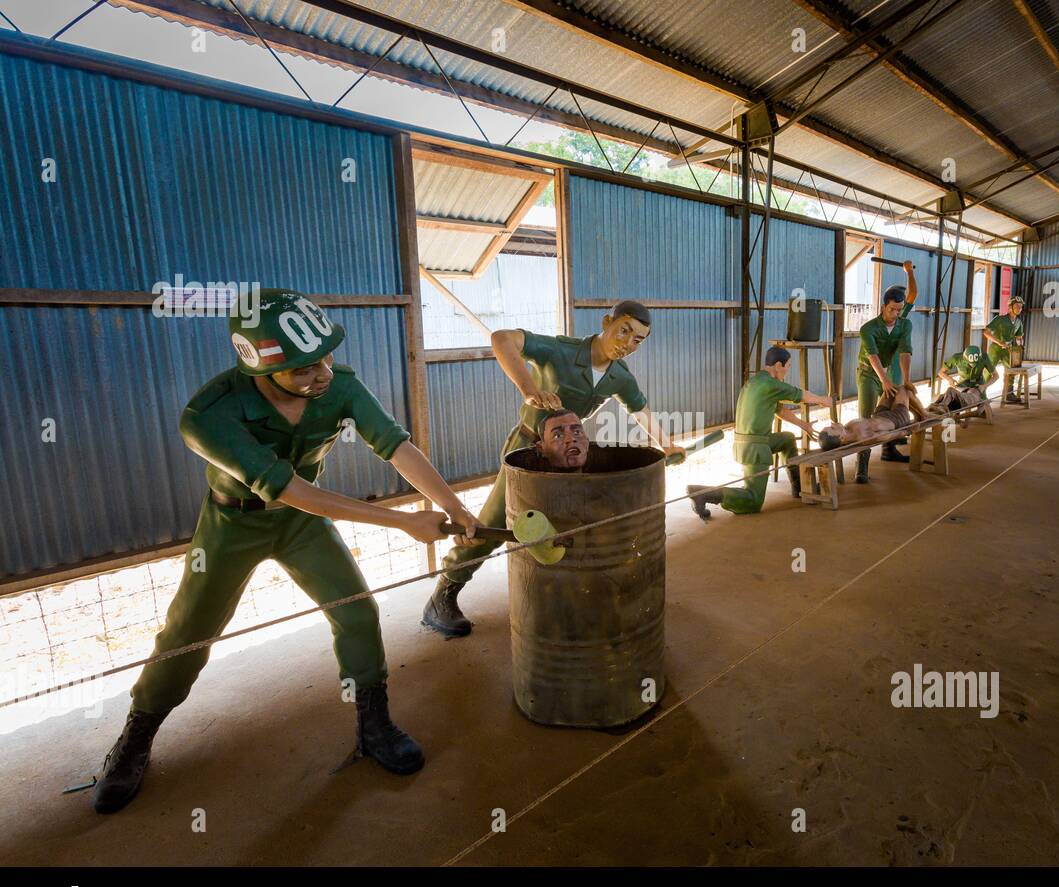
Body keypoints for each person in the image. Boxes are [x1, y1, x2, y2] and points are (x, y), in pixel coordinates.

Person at [90, 290, 481, 814]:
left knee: (357, 611)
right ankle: (136, 737)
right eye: (302, 369)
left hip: (303, 525)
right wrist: (403, 522)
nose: (320, 374)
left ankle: (374, 724)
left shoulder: (338, 385)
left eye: (325, 358)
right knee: (188, 634)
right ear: (257, 368)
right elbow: (291, 488)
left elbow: (395, 445)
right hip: (236, 522)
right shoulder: (206, 416)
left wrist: (457, 509)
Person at [423, 301, 684, 637]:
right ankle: (443, 593)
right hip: (528, 451)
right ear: (607, 322)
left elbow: (641, 410)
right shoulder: (561, 351)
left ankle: (562, 596)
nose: (627, 342)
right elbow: (502, 338)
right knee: (492, 524)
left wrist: (667, 444)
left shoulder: (618, 376)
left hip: (569, 456)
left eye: (638, 340)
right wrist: (529, 390)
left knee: (564, 529)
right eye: (624, 330)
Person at [686, 346, 831, 521]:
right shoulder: (770, 384)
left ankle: (799, 487)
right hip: (754, 448)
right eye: (788, 366)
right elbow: (801, 395)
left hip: (751, 442)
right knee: (753, 500)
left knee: (787, 439)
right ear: (778, 365)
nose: (788, 370)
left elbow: (780, 411)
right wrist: (824, 400)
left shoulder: (756, 382)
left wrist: (804, 425)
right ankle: (703, 493)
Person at [856, 260, 918, 480]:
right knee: (866, 415)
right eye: (892, 309)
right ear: (883, 306)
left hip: (888, 371)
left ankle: (888, 450)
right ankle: (861, 467)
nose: (896, 313)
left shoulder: (903, 323)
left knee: (891, 410)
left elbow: (905, 352)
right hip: (868, 373)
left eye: (900, 310)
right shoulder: (868, 329)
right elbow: (873, 357)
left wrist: (909, 272)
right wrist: (884, 380)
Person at [818, 382, 927, 451]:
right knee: (904, 389)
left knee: (891, 388)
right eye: (832, 428)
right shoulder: (863, 437)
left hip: (879, 414)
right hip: (896, 419)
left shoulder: (846, 429)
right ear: (841, 438)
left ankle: (919, 413)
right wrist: (907, 431)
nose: (832, 424)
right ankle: (923, 414)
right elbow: (887, 436)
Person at [929, 344, 999, 419]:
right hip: (963, 384)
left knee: (987, 413)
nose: (972, 365)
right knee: (954, 398)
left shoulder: (984, 357)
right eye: (970, 363)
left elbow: (996, 376)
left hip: (979, 384)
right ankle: (947, 409)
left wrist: (984, 386)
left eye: (974, 364)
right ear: (964, 358)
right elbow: (941, 372)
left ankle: (957, 410)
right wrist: (949, 379)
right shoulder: (956, 358)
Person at [983, 295, 1026, 402]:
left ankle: (1009, 393)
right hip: (995, 349)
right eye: (1017, 306)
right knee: (989, 370)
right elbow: (986, 332)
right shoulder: (999, 319)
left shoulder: (1018, 322)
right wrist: (999, 342)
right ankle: (981, 393)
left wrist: (1020, 346)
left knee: (1012, 369)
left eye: (1021, 307)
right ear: (1010, 307)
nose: (1019, 309)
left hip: (1009, 350)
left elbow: (1019, 337)